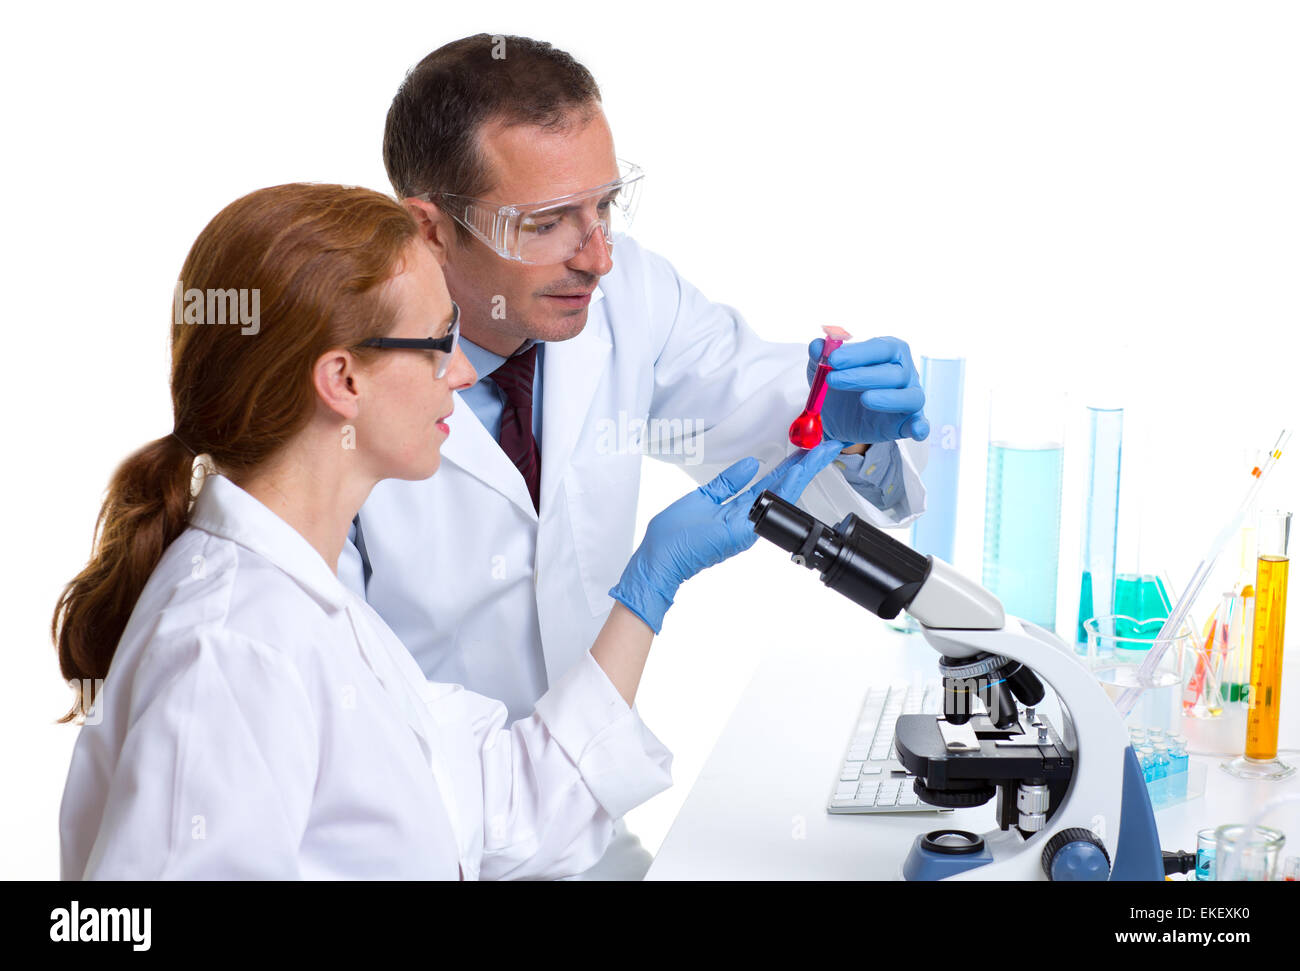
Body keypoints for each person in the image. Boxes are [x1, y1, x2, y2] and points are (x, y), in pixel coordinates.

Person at [53, 183, 846, 880]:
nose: (464, 374)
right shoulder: (233, 648)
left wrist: (648, 586)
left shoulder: (317, 608)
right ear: (343, 379)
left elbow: (498, 809)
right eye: (438, 345)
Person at [346, 34, 932, 877]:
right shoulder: (342, 392)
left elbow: (770, 422)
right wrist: (649, 582)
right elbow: (352, 743)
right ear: (430, 227)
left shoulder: (627, 300)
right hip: (423, 846)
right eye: (547, 222)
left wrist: (850, 426)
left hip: (583, 825)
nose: (597, 256)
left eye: (605, 207)